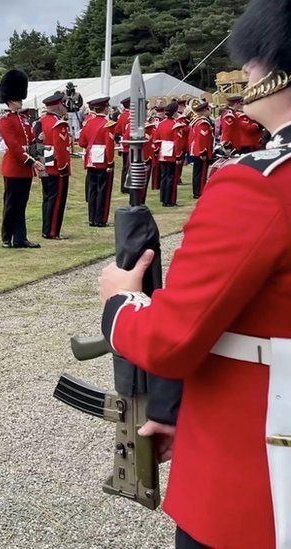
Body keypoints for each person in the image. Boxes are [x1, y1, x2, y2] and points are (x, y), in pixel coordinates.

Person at [97, 1, 291, 546]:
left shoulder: (256, 186)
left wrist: (120, 302)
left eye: (253, 60)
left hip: (257, 469)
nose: (247, 72)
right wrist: (173, 406)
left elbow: (173, 338)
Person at [0, 70, 43, 248]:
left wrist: (38, 141)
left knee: (22, 204)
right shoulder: (5, 120)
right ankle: (7, 237)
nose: (20, 102)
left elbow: (29, 140)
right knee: (11, 204)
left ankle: (20, 237)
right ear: (10, 100)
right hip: (14, 166)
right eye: (17, 99)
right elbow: (14, 146)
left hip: (25, 167)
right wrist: (31, 161)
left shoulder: (23, 119)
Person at [78, 96, 116, 227]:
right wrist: (110, 163)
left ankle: (92, 218)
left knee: (92, 190)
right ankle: (100, 219)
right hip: (103, 160)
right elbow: (110, 146)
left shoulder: (88, 123)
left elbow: (82, 142)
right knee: (103, 190)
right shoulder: (108, 124)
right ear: (105, 108)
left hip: (90, 159)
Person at [39, 92, 72, 239]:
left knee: (47, 198)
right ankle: (52, 231)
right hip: (57, 167)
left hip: (45, 164)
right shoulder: (58, 123)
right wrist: (63, 167)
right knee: (57, 199)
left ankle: (46, 229)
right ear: (59, 105)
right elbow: (60, 147)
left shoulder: (41, 121)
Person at [155, 102, 186, 207]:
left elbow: (156, 139)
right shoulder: (175, 125)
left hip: (163, 152)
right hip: (172, 153)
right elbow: (178, 142)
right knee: (171, 177)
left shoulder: (161, 124)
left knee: (164, 176)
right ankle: (170, 200)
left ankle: (163, 199)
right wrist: (178, 155)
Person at [188, 101, 213, 199]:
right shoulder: (203, 123)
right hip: (201, 151)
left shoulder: (196, 120)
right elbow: (202, 138)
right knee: (201, 172)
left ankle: (196, 190)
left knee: (197, 172)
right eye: (208, 110)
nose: (209, 112)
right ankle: (199, 191)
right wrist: (203, 151)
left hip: (196, 150)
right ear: (204, 110)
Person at [114, 97, 132, 193]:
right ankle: (128, 187)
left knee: (125, 167)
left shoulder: (122, 116)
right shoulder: (132, 115)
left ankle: (124, 187)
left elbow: (117, 131)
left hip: (124, 144)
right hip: (131, 144)